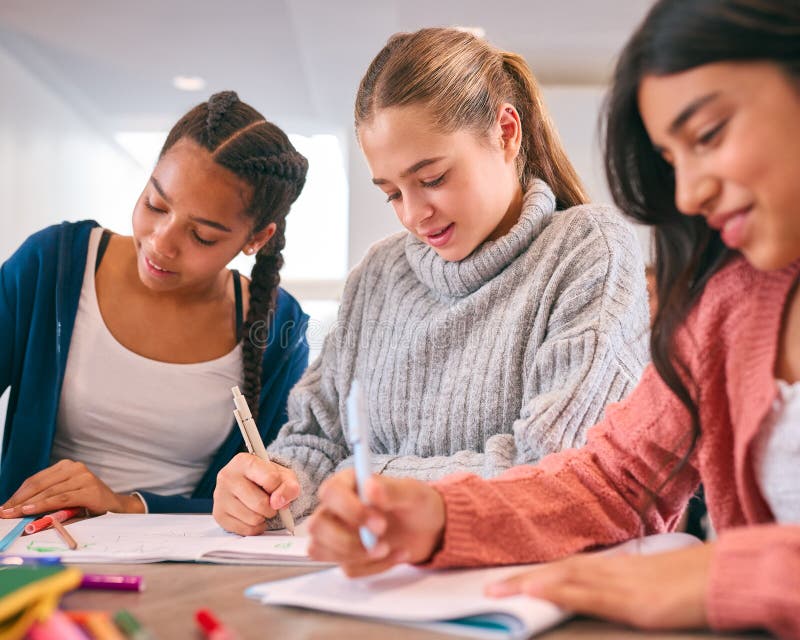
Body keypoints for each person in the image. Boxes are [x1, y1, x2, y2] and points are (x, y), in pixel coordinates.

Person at [304, 1, 800, 638]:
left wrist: (727, 574)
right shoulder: (730, 308)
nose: (688, 195)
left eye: (707, 135)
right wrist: (440, 516)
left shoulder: (586, 250)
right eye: (673, 160)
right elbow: (613, 479)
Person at [212, 28, 650, 535]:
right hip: (370, 579)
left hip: (516, 590)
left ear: (507, 134)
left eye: (433, 178)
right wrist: (273, 486)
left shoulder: (588, 248)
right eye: (392, 193)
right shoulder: (377, 275)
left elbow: (554, 472)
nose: (414, 216)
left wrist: (366, 480)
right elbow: (317, 442)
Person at [0, 91, 310, 515]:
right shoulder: (52, 265)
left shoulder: (279, 330)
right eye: (155, 204)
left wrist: (127, 505)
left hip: (195, 563)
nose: (160, 243)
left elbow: (274, 499)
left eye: (202, 235)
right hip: (38, 551)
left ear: (256, 239)